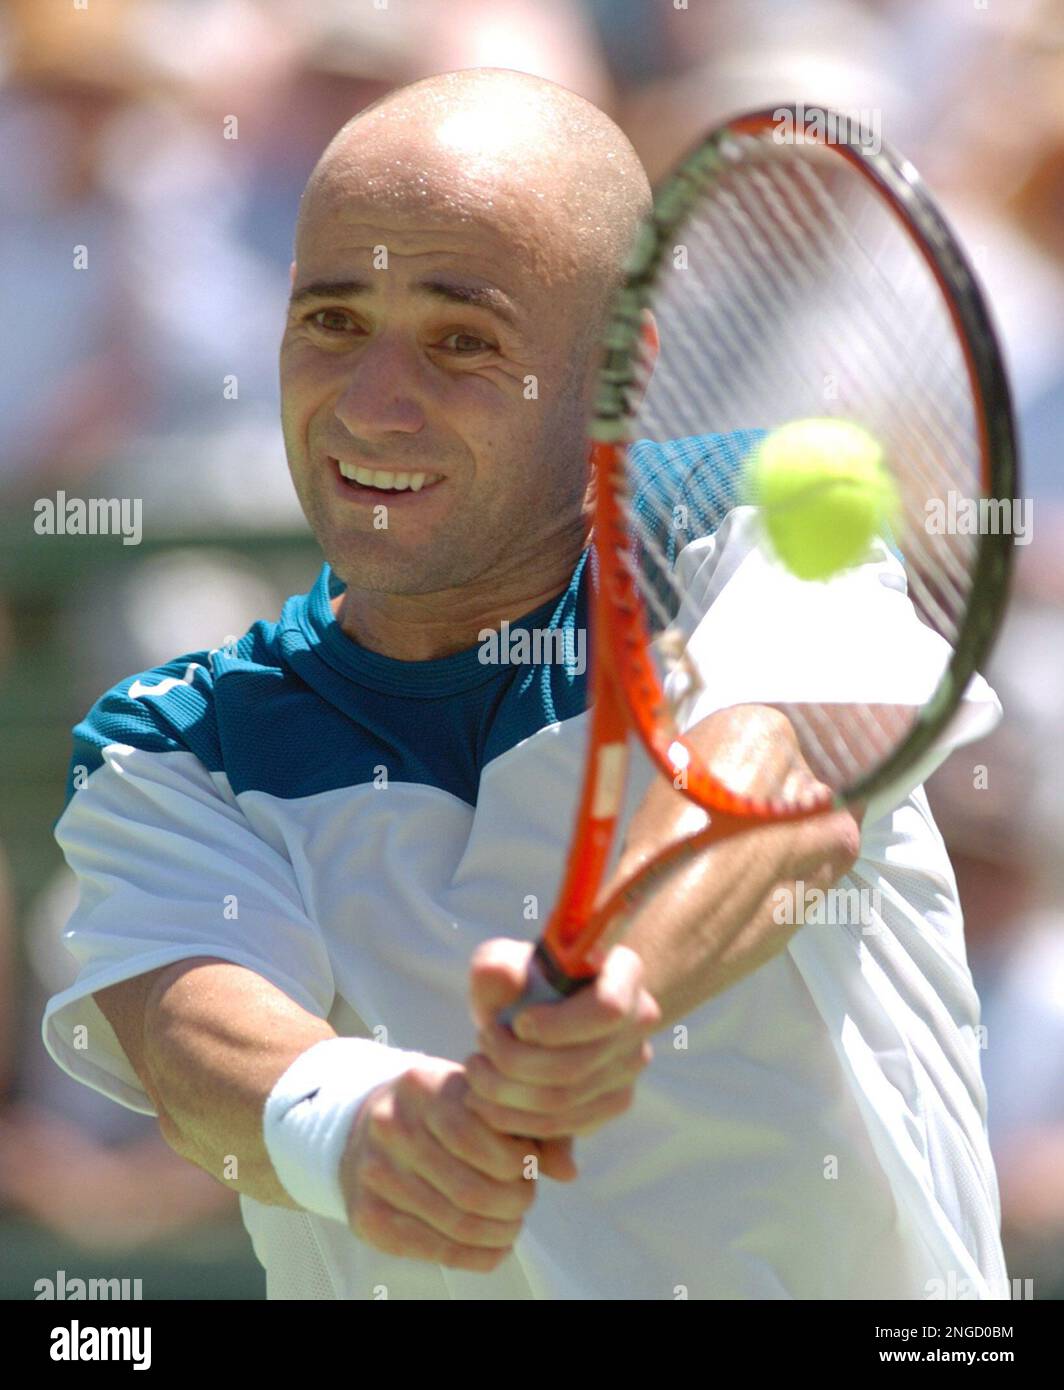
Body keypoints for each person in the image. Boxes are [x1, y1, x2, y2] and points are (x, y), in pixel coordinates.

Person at [43, 68, 1007, 1300]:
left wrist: (612, 988)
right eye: (332, 321)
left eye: (462, 341)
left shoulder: (755, 518)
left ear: (620, 363)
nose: (373, 404)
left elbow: (781, 798)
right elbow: (191, 1038)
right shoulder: (171, 747)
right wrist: (366, 1127)